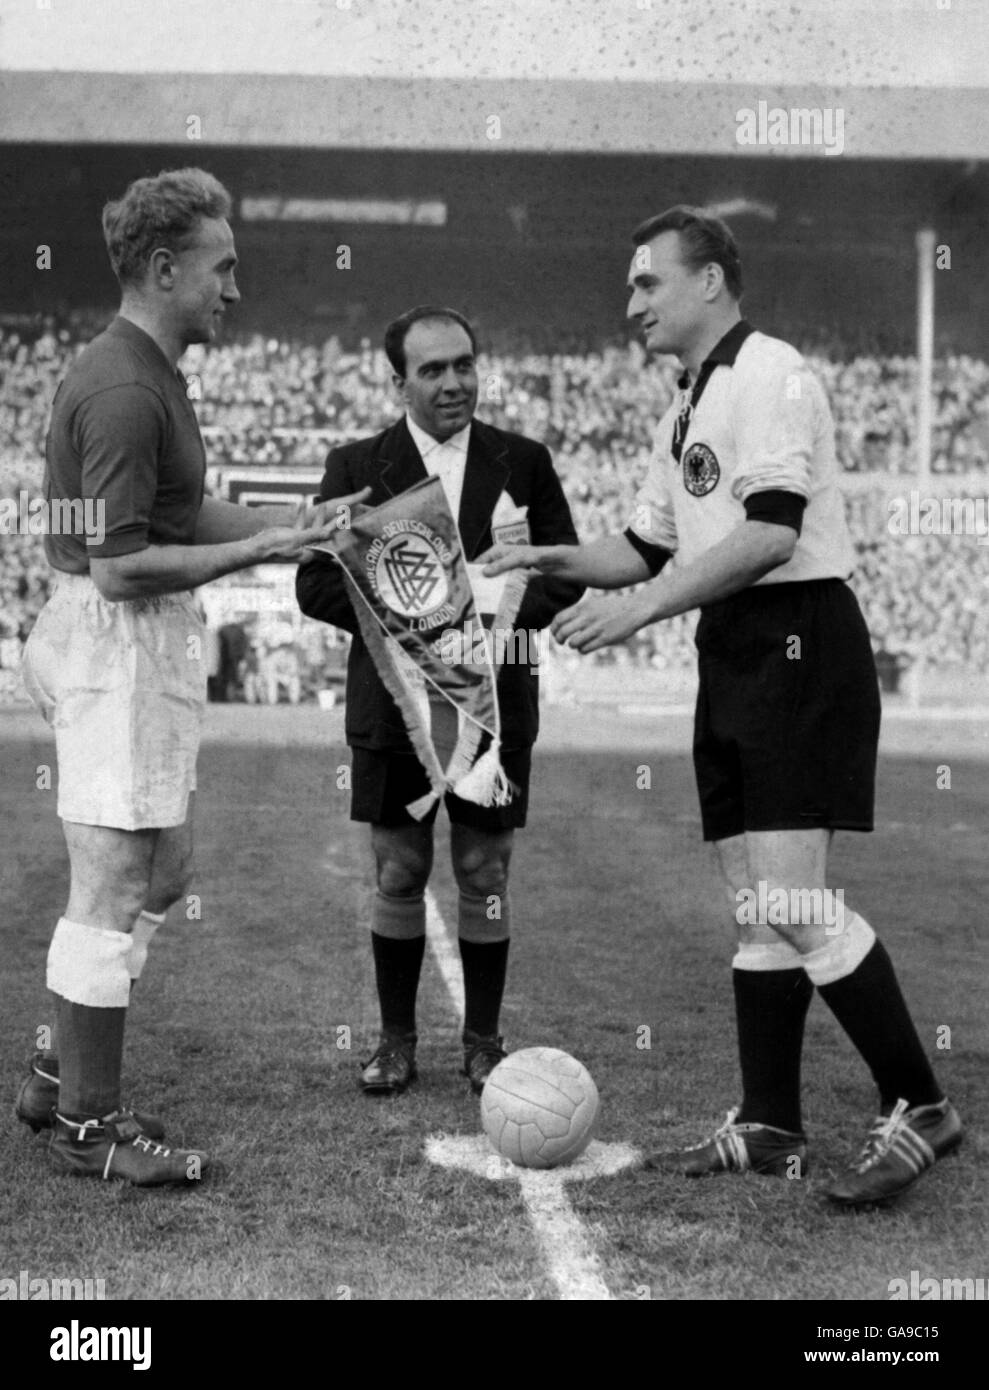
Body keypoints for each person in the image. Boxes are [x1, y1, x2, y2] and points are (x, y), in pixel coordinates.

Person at [482, 206, 962, 1207]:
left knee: (792, 900)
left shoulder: (772, 375)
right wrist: (550, 559)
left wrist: (638, 610)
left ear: (707, 281)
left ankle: (920, 1101)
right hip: (733, 649)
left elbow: (769, 534)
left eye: (645, 284)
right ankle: (771, 1123)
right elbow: (643, 548)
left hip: (797, 640)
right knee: (754, 906)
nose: (630, 305)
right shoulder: (680, 408)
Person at [16, 167, 365, 1185]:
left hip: (134, 636)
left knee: (162, 872)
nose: (235, 288)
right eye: (223, 268)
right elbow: (121, 567)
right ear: (164, 269)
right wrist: (257, 555)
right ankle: (88, 1123)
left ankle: (55, 1066)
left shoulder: (150, 370)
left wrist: (289, 526)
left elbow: (179, 514)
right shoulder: (125, 384)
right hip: (114, 636)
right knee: (114, 875)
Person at [297, 306, 583, 1095]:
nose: (454, 381)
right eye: (433, 370)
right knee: (397, 871)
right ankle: (394, 1041)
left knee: (485, 870)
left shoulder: (522, 461)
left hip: (494, 704)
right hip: (394, 707)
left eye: (464, 364)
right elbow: (314, 581)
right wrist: (412, 623)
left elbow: (564, 572)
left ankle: (484, 1041)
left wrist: (486, 616)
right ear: (399, 382)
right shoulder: (355, 466)